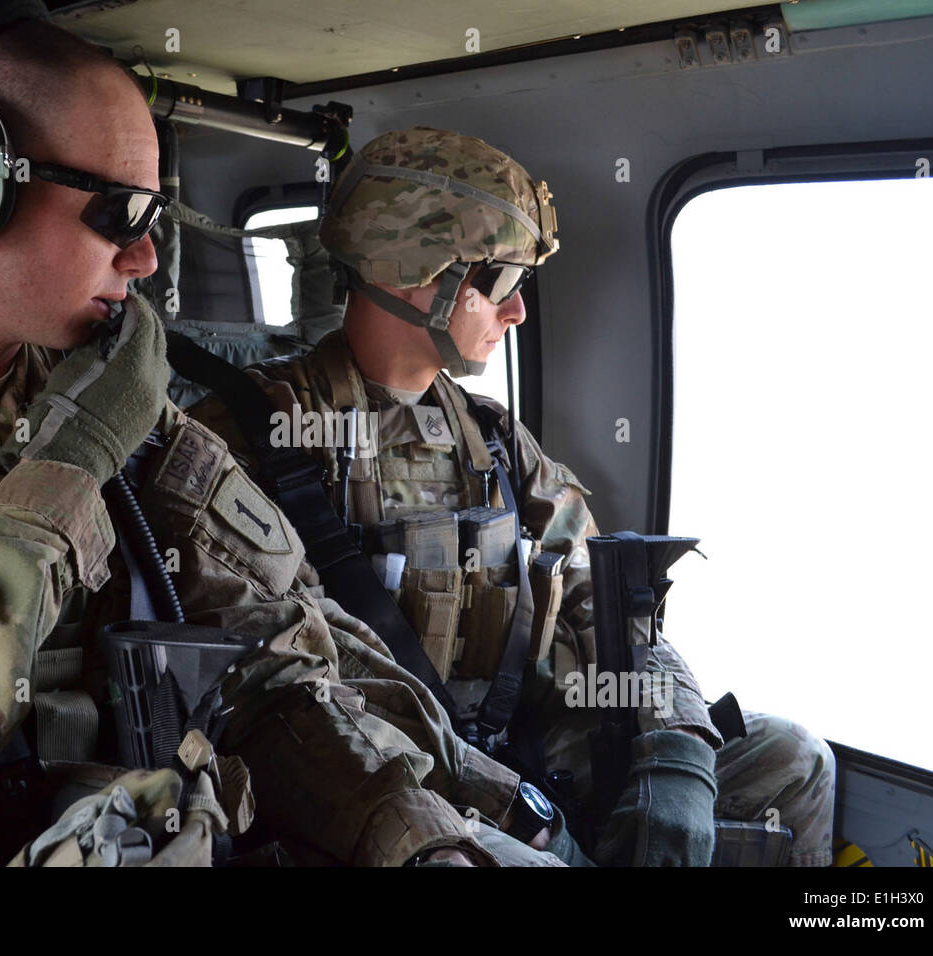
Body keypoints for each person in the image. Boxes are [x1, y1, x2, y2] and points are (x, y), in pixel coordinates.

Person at [0, 9, 545, 868]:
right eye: (121, 214)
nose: (147, 261)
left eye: (156, 220)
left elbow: (281, 648)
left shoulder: (103, 399)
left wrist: (418, 832)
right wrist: (69, 463)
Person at [188, 126, 837, 866]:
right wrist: (506, 803)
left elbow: (603, 601)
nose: (519, 312)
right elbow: (281, 691)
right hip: (381, 778)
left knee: (795, 761)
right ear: (413, 274)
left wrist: (674, 746)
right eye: (499, 285)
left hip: (523, 744)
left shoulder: (491, 438)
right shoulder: (251, 439)